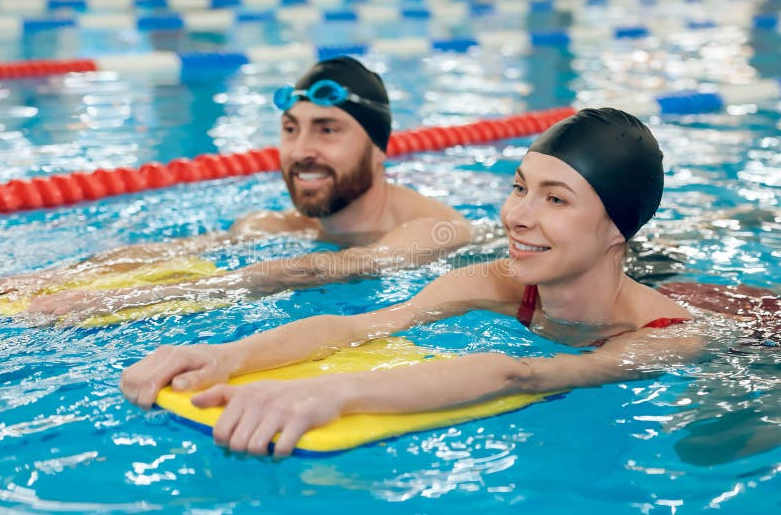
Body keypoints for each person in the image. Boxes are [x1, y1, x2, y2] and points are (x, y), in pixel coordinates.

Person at [120, 108, 705, 458]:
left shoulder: (669, 336)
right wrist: (226, 355)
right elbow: (359, 325)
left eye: (555, 199)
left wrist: (338, 392)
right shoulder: (498, 281)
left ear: (616, 227)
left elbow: (525, 373)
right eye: (519, 187)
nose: (518, 215)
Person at [0, 56, 472, 320]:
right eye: (290, 129)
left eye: (328, 129)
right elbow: (170, 249)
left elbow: (332, 266)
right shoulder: (276, 224)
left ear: (378, 149)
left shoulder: (435, 229)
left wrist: (128, 300)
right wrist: (40, 279)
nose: (302, 150)